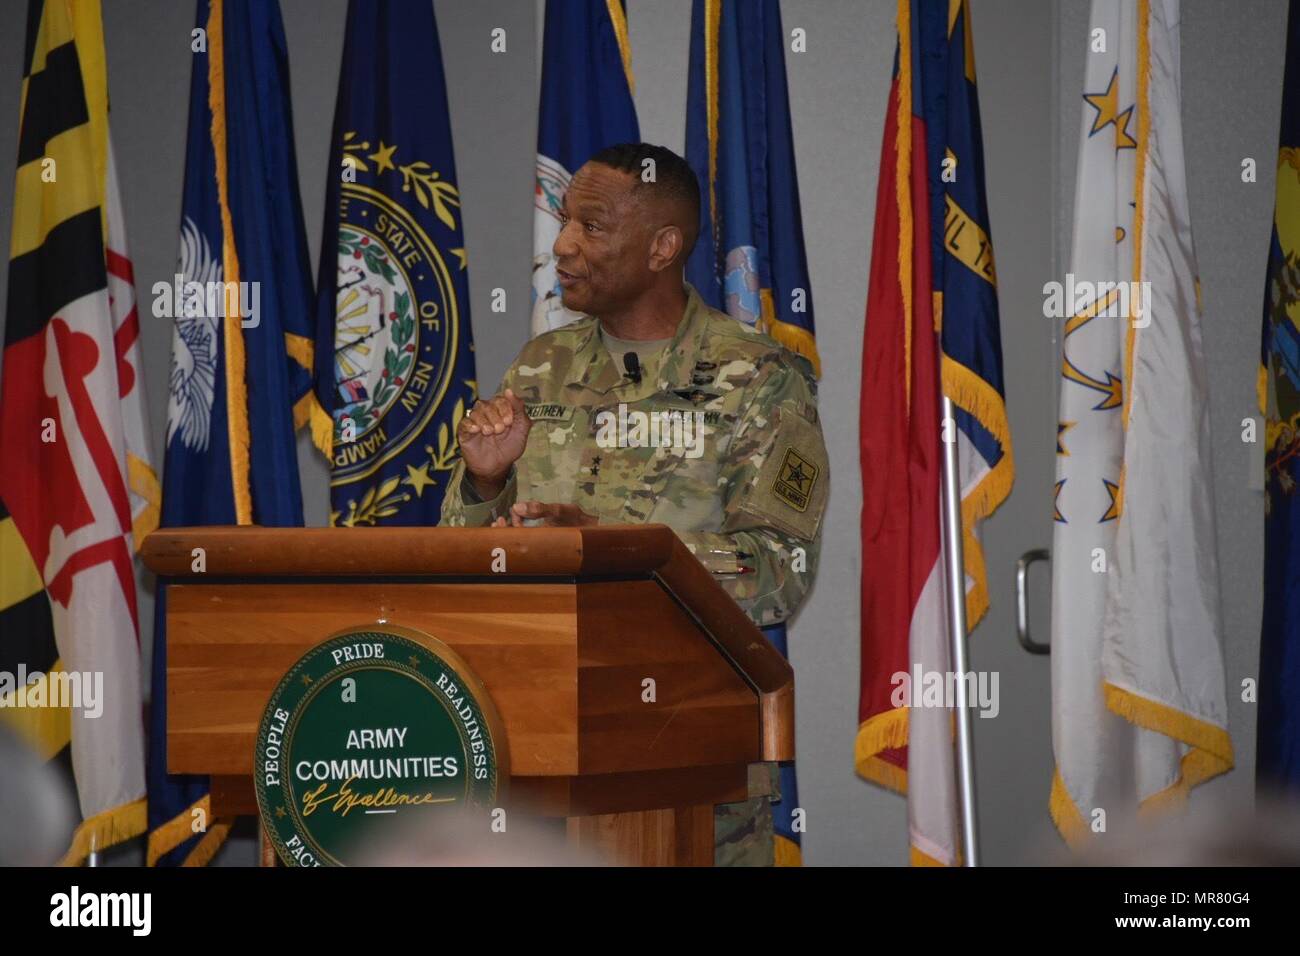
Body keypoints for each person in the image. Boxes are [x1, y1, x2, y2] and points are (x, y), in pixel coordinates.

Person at [440, 142, 827, 865]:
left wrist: (609, 548)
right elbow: (463, 561)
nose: (562, 245)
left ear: (663, 248)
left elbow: (782, 569)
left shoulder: (760, 379)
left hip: (691, 768)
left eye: (591, 226)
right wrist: (484, 483)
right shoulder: (540, 367)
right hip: (537, 759)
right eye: (563, 222)